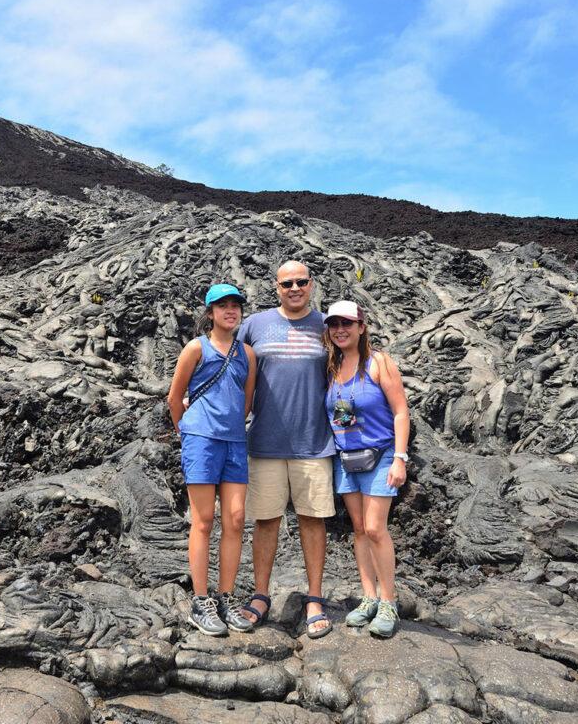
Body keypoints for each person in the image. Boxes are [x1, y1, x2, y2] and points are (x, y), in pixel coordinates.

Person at [238, 261, 336, 639]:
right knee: (266, 521)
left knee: (312, 520)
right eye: (286, 283)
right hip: (265, 441)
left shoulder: (328, 326)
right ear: (276, 287)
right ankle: (261, 594)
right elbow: (230, 367)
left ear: (311, 284)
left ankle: (315, 598)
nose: (294, 288)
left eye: (301, 282)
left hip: (314, 441)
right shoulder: (255, 325)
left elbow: (347, 373)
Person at [167, 284, 257, 636]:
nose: (230, 311)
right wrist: (189, 431)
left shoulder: (247, 354)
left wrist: (228, 424)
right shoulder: (196, 348)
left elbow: (246, 402)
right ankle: (201, 600)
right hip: (201, 441)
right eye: (223, 306)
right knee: (203, 521)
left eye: (235, 305)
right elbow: (175, 397)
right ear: (210, 312)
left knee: (235, 519)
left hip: (234, 441)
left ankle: (227, 597)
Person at [323, 299, 410, 637]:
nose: (340, 330)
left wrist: (400, 458)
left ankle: (389, 601)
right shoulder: (331, 366)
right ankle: (369, 597)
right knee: (359, 529)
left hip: (381, 454)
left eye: (347, 323)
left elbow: (400, 411)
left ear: (361, 327)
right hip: (346, 459)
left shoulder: (379, 362)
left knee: (375, 528)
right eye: (334, 324)